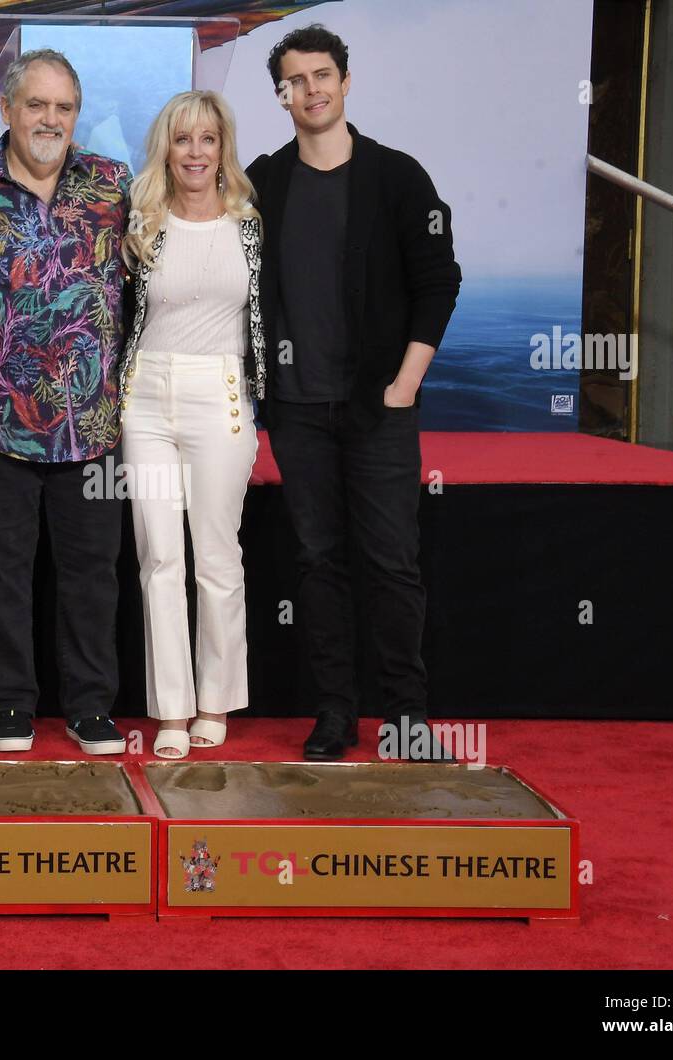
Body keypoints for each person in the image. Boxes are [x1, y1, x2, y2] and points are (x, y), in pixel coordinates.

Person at [244, 25, 462, 761]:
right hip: (297, 411)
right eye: (295, 80)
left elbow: (439, 281)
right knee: (318, 562)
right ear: (280, 94)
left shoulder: (398, 177)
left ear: (345, 80)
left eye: (322, 74)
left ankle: (406, 713)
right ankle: (335, 712)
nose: (311, 89)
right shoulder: (263, 181)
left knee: (393, 561)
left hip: (379, 408)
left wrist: (405, 384)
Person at [0, 49, 130, 754]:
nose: (50, 119)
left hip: (94, 422)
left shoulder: (114, 185)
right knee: (0, 569)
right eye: (37, 105)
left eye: (64, 108)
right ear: (9, 109)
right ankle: (10, 703)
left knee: (92, 574)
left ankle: (90, 706)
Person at [117, 91, 263, 759]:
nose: (196, 152)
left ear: (223, 146)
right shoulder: (142, 222)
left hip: (223, 398)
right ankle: (171, 711)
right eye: (183, 141)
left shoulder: (251, 226)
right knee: (158, 557)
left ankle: (215, 701)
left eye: (208, 140)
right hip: (146, 398)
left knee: (216, 558)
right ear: (167, 150)